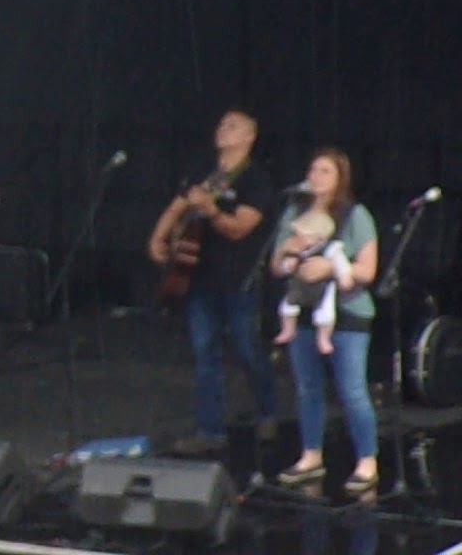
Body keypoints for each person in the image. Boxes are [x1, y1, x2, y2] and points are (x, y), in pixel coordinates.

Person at [146, 109, 278, 454]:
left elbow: (239, 229)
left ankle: (268, 410)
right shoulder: (206, 172)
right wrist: (158, 238)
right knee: (205, 353)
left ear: (250, 136)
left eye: (232, 126)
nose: (223, 129)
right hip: (199, 275)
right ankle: (210, 429)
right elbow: (178, 205)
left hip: (238, 279)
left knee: (247, 350)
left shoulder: (255, 180)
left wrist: (212, 210)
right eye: (221, 124)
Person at [271, 147, 379, 494]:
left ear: (339, 179)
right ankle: (311, 455)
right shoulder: (294, 212)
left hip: (345, 312)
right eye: (313, 170)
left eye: (325, 171)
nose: (316, 177)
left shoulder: (355, 216)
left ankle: (367, 461)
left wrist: (331, 267)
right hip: (303, 309)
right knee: (307, 388)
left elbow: (367, 269)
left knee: (351, 389)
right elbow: (275, 264)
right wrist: (289, 256)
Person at [272, 208, 353, 355]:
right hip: (299, 285)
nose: (298, 238)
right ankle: (288, 329)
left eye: (303, 235)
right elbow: (284, 267)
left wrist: (344, 277)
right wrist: (287, 265)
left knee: (325, 313)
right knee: (287, 305)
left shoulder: (331, 249)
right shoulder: (297, 250)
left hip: (322, 287)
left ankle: (323, 338)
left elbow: (341, 265)